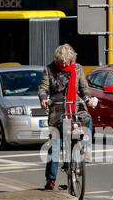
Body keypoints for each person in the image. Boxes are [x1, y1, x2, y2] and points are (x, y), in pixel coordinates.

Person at [37, 44, 97, 191]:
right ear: (56, 60)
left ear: (72, 58)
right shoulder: (49, 69)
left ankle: (86, 151)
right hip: (57, 108)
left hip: (75, 105)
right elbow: (43, 87)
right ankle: (51, 179)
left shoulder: (78, 68)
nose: (64, 64)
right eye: (61, 62)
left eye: (66, 61)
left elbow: (84, 88)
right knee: (55, 145)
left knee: (87, 119)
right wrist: (44, 98)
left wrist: (88, 98)